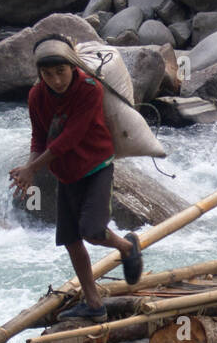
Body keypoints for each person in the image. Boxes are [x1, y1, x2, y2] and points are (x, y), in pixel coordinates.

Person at [9, 35, 143, 320]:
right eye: (48, 74)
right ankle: (94, 305)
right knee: (71, 239)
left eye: (61, 72)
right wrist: (28, 169)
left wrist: (33, 168)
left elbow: (69, 138)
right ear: (40, 75)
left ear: (72, 67)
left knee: (92, 231)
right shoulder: (36, 96)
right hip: (65, 173)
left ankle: (127, 246)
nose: (56, 80)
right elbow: (39, 137)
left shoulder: (89, 89)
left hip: (95, 166)